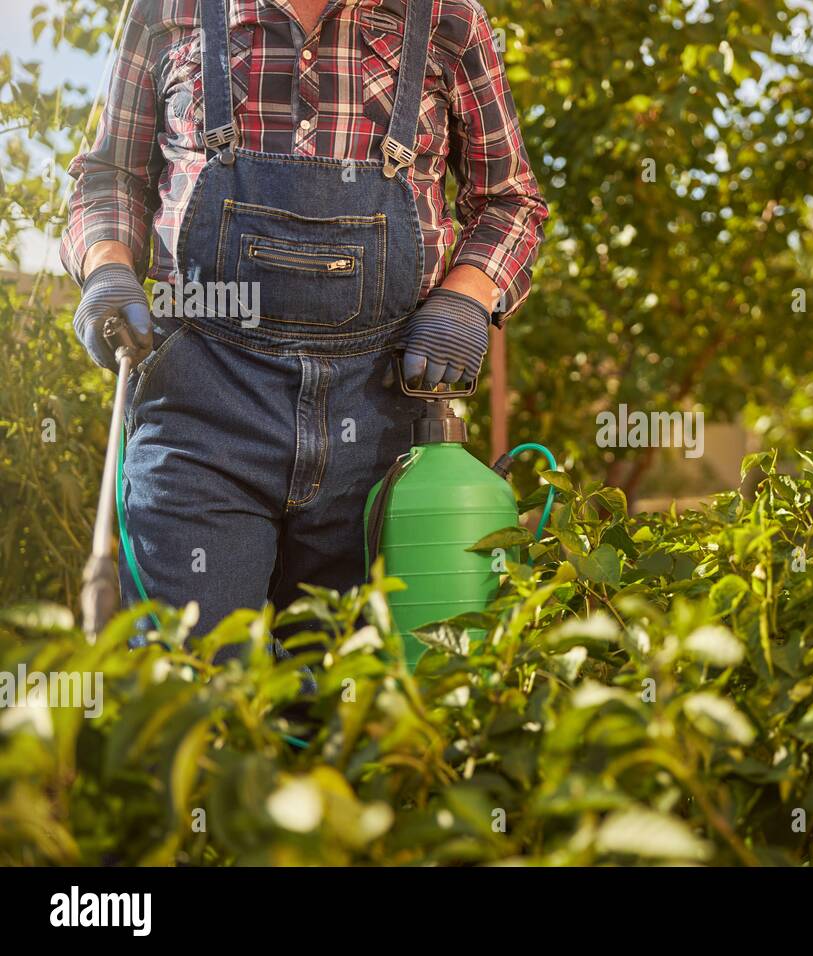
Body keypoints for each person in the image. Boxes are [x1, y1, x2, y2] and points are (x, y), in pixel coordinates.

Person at [60, 0, 547, 644]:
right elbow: (111, 177)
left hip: (385, 417)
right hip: (203, 403)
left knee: (360, 697)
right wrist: (105, 267)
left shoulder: (448, 20)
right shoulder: (166, 11)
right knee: (192, 678)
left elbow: (509, 201)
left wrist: (467, 296)